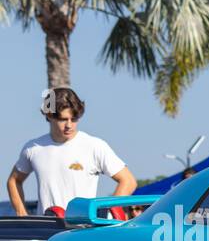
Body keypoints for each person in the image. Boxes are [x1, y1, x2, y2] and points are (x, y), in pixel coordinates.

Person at [6, 87, 135, 217]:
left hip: (83, 229)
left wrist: (107, 212)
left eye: (74, 119)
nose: (69, 125)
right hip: (48, 230)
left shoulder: (95, 146)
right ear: (49, 115)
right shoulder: (33, 148)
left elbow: (128, 181)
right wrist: (22, 213)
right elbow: (14, 181)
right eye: (63, 119)